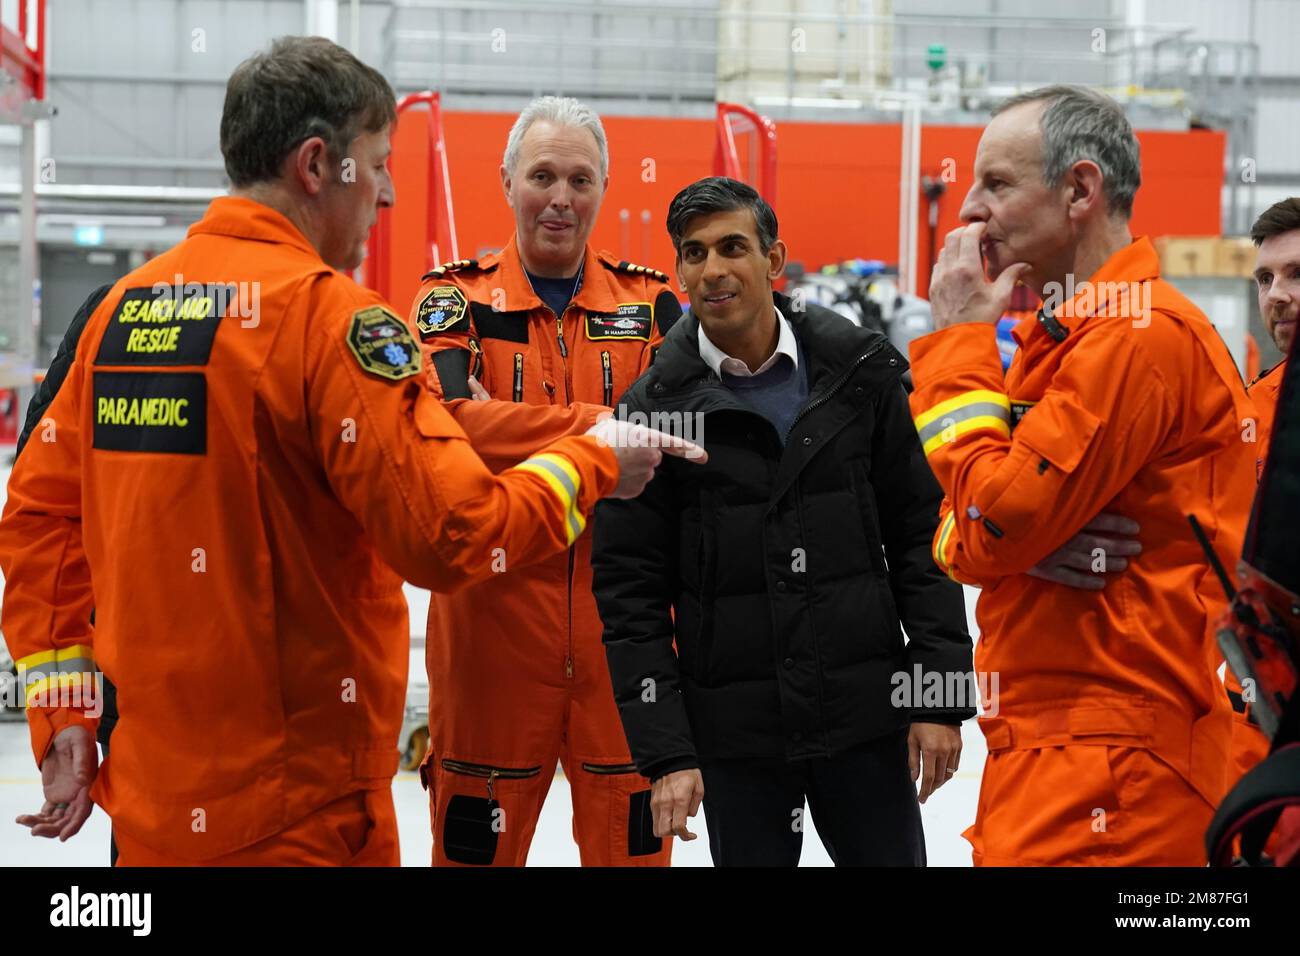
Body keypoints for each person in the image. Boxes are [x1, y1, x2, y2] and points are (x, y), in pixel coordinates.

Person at [0, 37, 696, 867]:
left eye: (581, 180)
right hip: (301, 810)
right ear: (317, 165)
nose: (390, 191)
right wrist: (593, 459)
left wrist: (65, 718)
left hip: (154, 807)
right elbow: (451, 533)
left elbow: (38, 520)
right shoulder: (335, 325)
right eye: (377, 163)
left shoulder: (120, 312)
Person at [910, 84, 1256, 865]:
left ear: (1080, 190)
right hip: (1060, 753)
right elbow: (978, 526)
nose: (968, 211)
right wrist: (1006, 538)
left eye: (996, 183)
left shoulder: (1137, 340)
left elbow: (989, 523)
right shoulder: (1065, 338)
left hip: (1115, 774)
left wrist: (959, 343)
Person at [591, 177, 975, 866]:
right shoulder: (650, 411)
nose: (713, 269)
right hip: (739, 743)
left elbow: (923, 536)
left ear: (773, 260)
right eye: (694, 252)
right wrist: (668, 753)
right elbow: (629, 597)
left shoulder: (859, 375)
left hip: (865, 721)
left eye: (732, 247)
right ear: (679, 270)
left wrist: (939, 696)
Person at [409, 97, 683, 866]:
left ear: (603, 189)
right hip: (488, 636)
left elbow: (675, 441)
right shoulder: (452, 298)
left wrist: (512, 429)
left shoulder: (652, 303)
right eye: (541, 176)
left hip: (625, 638)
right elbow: (450, 426)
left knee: (633, 852)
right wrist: (603, 433)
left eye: (580, 179)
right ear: (506, 181)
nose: (560, 198)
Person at [1224, 197, 1300, 788]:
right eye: (1266, 277)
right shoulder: (1249, 409)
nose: (1277, 293)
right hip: (1249, 714)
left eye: (1298, 273)